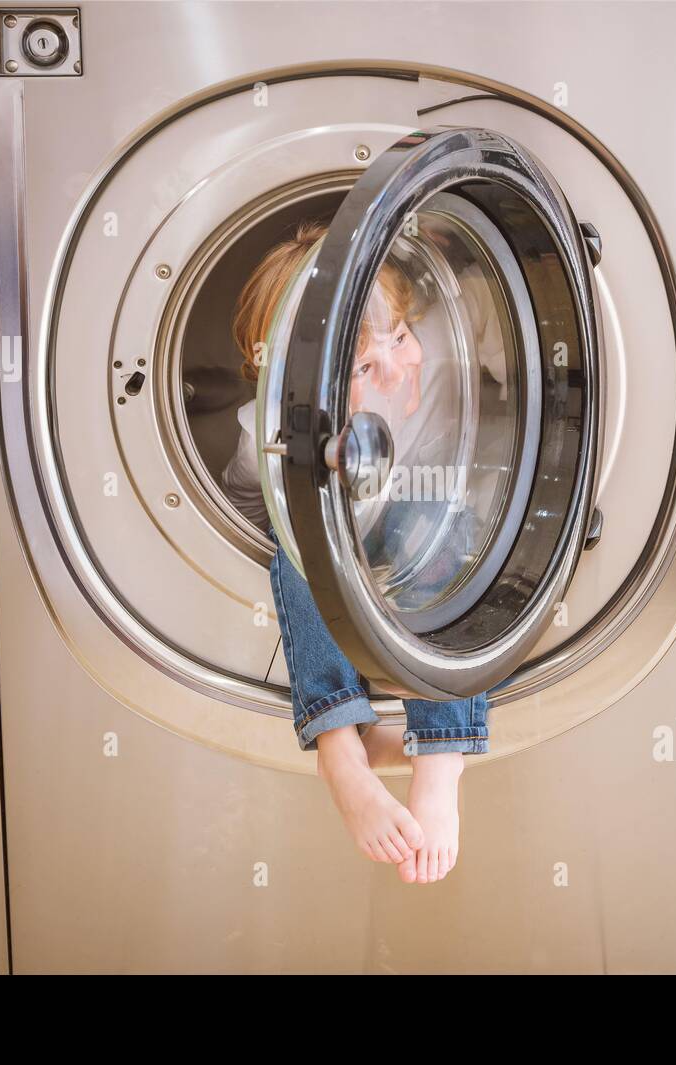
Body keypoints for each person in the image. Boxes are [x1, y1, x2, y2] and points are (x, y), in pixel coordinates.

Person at [222, 221, 489, 885]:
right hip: (339, 577)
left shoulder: (450, 365)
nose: (398, 367)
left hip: (426, 570)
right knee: (301, 535)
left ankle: (441, 757)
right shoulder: (271, 436)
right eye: (366, 366)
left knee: (438, 518)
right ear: (291, 385)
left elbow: (494, 297)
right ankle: (340, 749)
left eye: (401, 336)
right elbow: (247, 509)